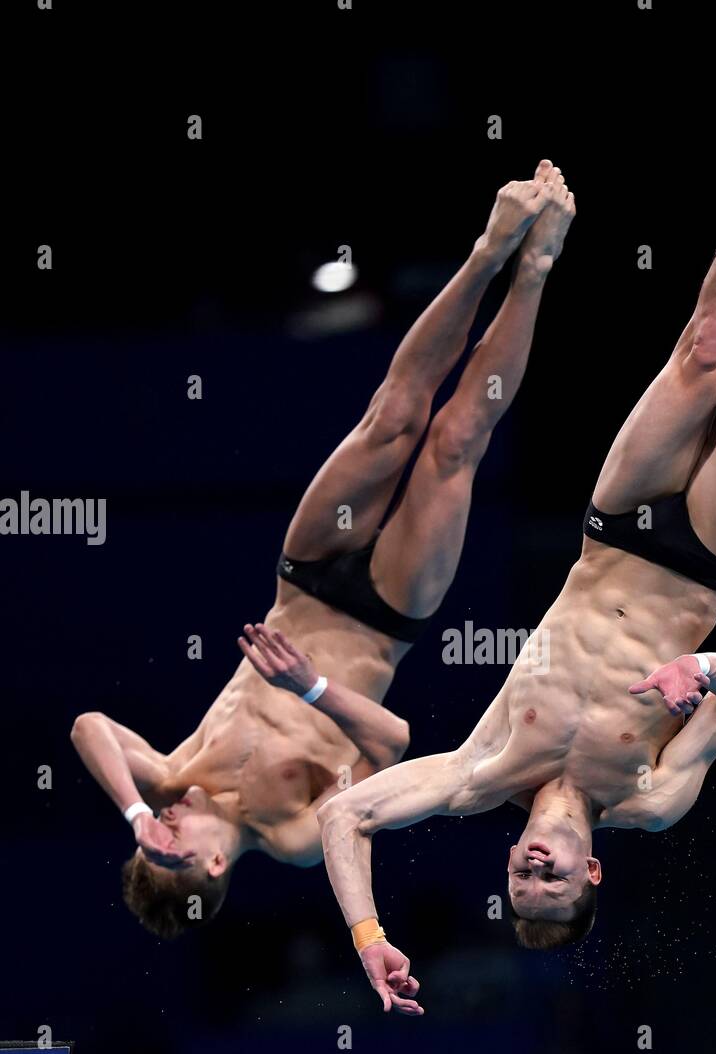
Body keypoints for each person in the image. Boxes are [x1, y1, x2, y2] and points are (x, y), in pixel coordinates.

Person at [317, 56, 716, 1015]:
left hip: (614, 534)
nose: (535, 868)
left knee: (707, 343)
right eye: (554, 883)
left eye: (521, 880)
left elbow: (344, 812)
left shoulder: (478, 773)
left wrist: (368, 939)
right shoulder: (651, 799)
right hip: (707, 564)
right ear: (592, 876)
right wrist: (697, 676)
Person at [71, 161, 576, 938]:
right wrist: (311, 689)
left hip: (304, 579)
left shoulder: (174, 773)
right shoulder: (298, 839)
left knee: (392, 418)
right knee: (455, 444)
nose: (166, 826)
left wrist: (137, 807)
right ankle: (536, 267)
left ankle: (489, 248)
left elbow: (88, 725)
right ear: (210, 869)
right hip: (388, 614)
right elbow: (394, 742)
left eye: (153, 836)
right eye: (170, 845)